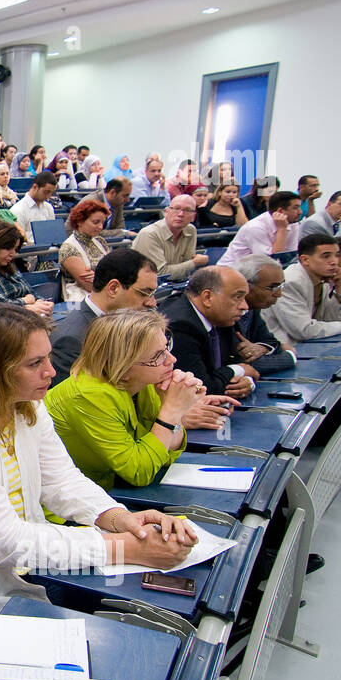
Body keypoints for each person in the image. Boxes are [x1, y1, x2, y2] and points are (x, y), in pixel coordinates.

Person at [0, 306, 195, 626]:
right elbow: (5, 542)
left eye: (48, 358)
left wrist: (119, 518)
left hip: (24, 563)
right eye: (35, 363)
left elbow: (61, 480)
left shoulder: (24, 401)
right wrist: (125, 549)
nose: (52, 372)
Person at [45, 311, 207, 489]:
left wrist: (171, 410)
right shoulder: (89, 396)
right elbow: (139, 473)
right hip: (71, 501)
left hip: (110, 489)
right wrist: (173, 410)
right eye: (158, 356)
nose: (172, 359)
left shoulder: (145, 380)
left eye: (167, 347)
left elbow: (166, 455)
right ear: (123, 367)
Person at [49, 249, 158, 386]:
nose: (152, 303)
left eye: (153, 293)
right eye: (144, 293)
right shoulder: (71, 340)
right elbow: (74, 403)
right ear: (113, 289)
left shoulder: (125, 325)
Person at [160, 267, 259, 398]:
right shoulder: (179, 326)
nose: (245, 306)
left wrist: (247, 381)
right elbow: (201, 389)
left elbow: (242, 362)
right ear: (207, 297)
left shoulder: (224, 318)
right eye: (237, 297)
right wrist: (238, 370)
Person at [261, 233, 341, 343]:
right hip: (284, 349)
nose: (334, 262)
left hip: (308, 346)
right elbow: (304, 331)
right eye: (326, 256)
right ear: (305, 260)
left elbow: (331, 320)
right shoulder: (290, 282)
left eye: (336, 255)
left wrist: (340, 289)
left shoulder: (322, 279)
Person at [0, 220, 53, 316]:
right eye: (8, 248)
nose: (13, 254)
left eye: (15, 249)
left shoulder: (9, 266)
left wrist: (43, 303)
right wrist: (26, 302)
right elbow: (1, 305)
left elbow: (31, 293)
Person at [231, 255, 298, 375]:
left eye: (281, 286)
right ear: (246, 286)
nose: (279, 294)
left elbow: (272, 342)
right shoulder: (226, 314)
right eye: (272, 287)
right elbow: (245, 364)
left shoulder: (253, 308)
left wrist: (262, 348)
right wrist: (290, 356)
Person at [132, 194, 207, 281]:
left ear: (193, 217)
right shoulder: (150, 234)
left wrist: (189, 264)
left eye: (187, 210)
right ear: (166, 212)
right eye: (176, 208)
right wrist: (194, 263)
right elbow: (159, 274)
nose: (181, 214)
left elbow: (186, 268)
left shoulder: (190, 230)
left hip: (176, 285)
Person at [218, 191, 302, 266]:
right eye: (295, 208)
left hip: (255, 271)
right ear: (280, 211)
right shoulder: (255, 227)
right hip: (231, 270)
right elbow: (271, 262)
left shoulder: (293, 223)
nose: (300, 212)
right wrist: (282, 230)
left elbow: (291, 256)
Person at [57, 199, 111, 303]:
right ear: (80, 221)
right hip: (82, 301)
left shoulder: (100, 241)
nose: (100, 227)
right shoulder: (68, 248)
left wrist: (98, 277)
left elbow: (117, 271)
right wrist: (109, 277)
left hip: (105, 295)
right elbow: (89, 286)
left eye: (102, 222)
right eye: (95, 222)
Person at [8, 172, 58, 244]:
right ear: (35, 187)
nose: (49, 197)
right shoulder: (17, 210)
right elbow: (19, 241)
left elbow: (52, 234)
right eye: (46, 192)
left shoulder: (49, 207)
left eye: (51, 193)